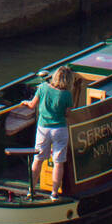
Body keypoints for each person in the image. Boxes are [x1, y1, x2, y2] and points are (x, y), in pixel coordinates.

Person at [21, 66, 74, 200]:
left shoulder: (43, 87)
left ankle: (31, 190)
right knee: (58, 162)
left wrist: (25, 102)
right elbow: (67, 114)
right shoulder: (67, 95)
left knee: (38, 159)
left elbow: (32, 105)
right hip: (59, 130)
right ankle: (54, 193)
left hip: (43, 129)